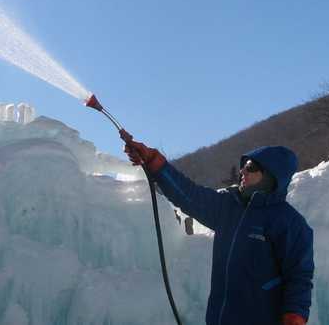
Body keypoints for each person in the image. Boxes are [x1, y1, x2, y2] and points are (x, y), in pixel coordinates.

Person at [122, 131, 314, 325]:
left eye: (250, 167)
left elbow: (299, 276)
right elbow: (188, 195)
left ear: (271, 176)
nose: (242, 171)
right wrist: (154, 161)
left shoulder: (289, 222)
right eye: (243, 166)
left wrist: (294, 316)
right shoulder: (228, 207)